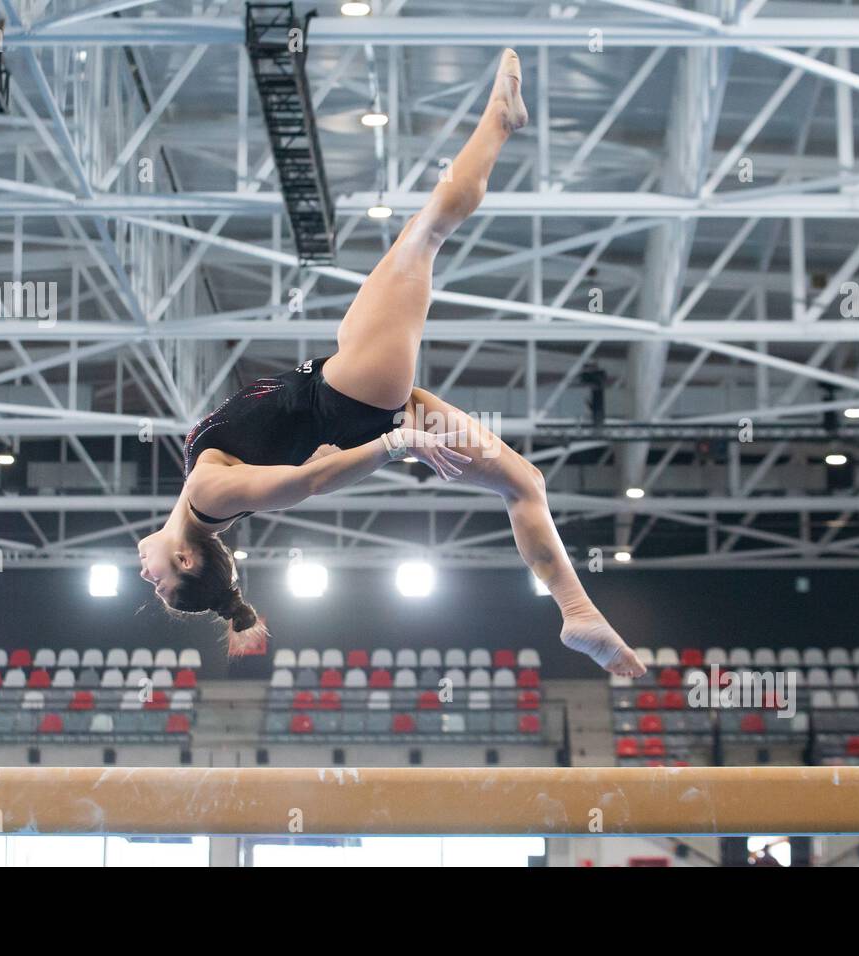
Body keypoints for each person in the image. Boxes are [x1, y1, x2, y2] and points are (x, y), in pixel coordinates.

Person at [138, 50, 645, 677]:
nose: (147, 577)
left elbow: (304, 468)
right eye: (160, 586)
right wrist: (395, 443)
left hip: (353, 389)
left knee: (525, 483)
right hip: (357, 394)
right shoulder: (207, 496)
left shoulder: (204, 499)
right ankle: (500, 120)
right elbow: (305, 486)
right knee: (428, 229)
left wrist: (356, 443)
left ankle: (577, 612)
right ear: (187, 561)